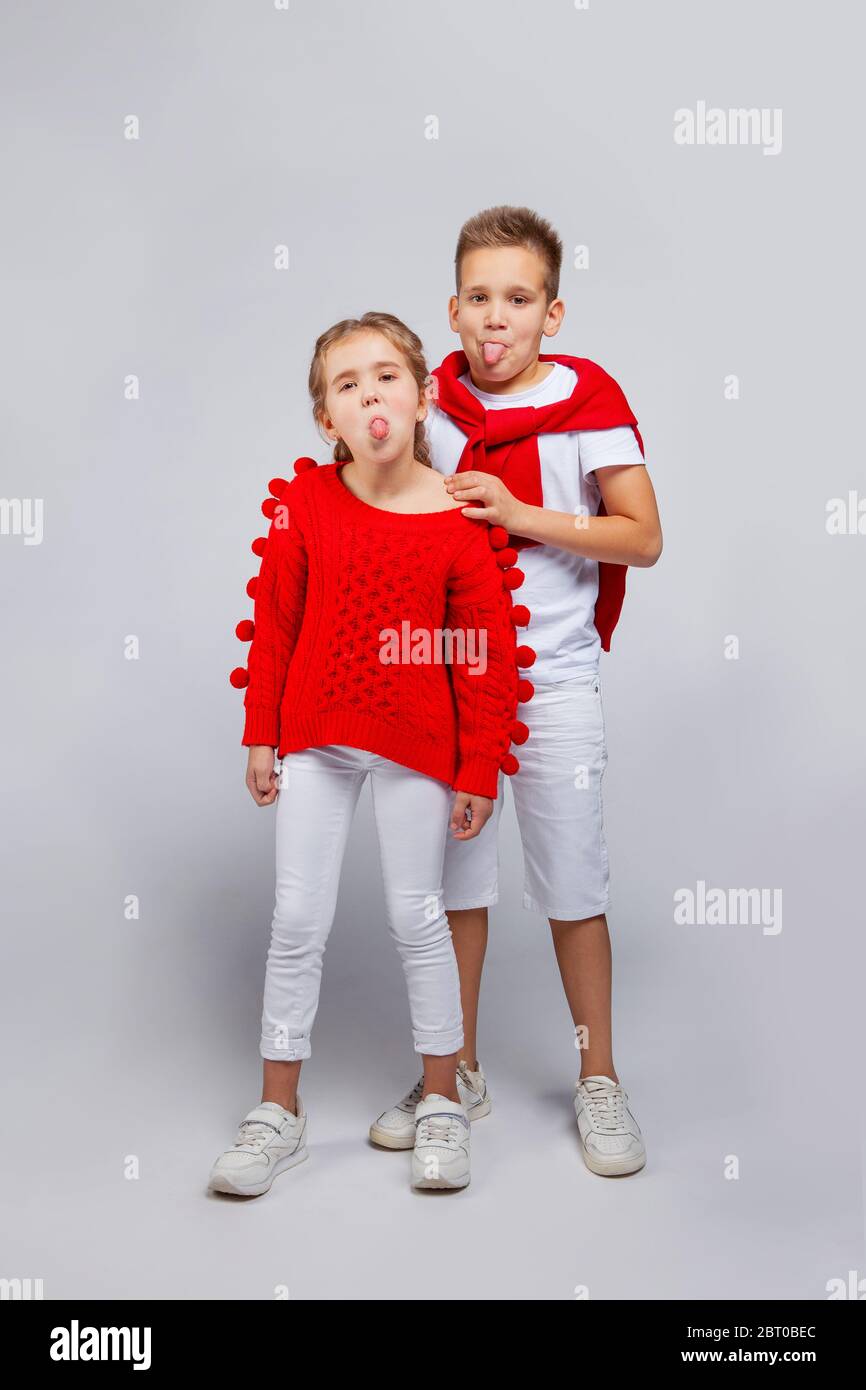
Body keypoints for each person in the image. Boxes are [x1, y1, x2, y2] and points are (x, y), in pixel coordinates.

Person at [369, 207, 663, 1177]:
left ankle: (599, 1079)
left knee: (571, 887)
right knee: (454, 888)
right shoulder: (433, 406)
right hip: (452, 684)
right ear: (452, 310)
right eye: (480, 298)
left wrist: (521, 513)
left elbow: (641, 537)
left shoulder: (590, 402)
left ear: (552, 312)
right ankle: (453, 1073)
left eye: (519, 299)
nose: (497, 318)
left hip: (554, 679)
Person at [209, 312, 526, 1196]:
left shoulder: (461, 521)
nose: (369, 396)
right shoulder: (308, 504)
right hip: (315, 739)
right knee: (298, 920)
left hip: (417, 746)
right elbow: (276, 622)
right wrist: (261, 732)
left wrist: (475, 767)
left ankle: (441, 1101)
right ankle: (279, 1111)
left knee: (415, 917)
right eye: (347, 386)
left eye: (386, 378)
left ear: (422, 399)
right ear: (327, 420)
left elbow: (481, 657)